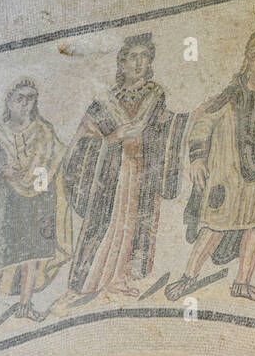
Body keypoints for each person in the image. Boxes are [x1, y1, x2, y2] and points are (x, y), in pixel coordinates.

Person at [166, 28, 255, 302]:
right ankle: (188, 278)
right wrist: (197, 157)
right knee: (214, 227)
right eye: (253, 56)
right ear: (246, 59)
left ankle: (242, 282)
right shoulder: (233, 93)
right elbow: (203, 122)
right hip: (228, 174)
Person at [58, 34, 189, 305]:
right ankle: (86, 280)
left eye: (145, 56)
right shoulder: (105, 102)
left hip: (139, 172)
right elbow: (80, 142)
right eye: (133, 57)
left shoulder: (156, 95)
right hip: (109, 175)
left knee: (131, 224)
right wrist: (110, 139)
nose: (139, 63)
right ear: (122, 63)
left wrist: (190, 122)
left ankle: (118, 279)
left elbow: (164, 128)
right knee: (103, 223)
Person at [0, 78, 71, 341]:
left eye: (30, 98)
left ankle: (25, 305)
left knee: (32, 255)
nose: (25, 104)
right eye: (19, 99)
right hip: (1, 209)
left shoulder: (45, 132)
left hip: (35, 205)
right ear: (8, 102)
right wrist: (1, 172)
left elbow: (60, 163)